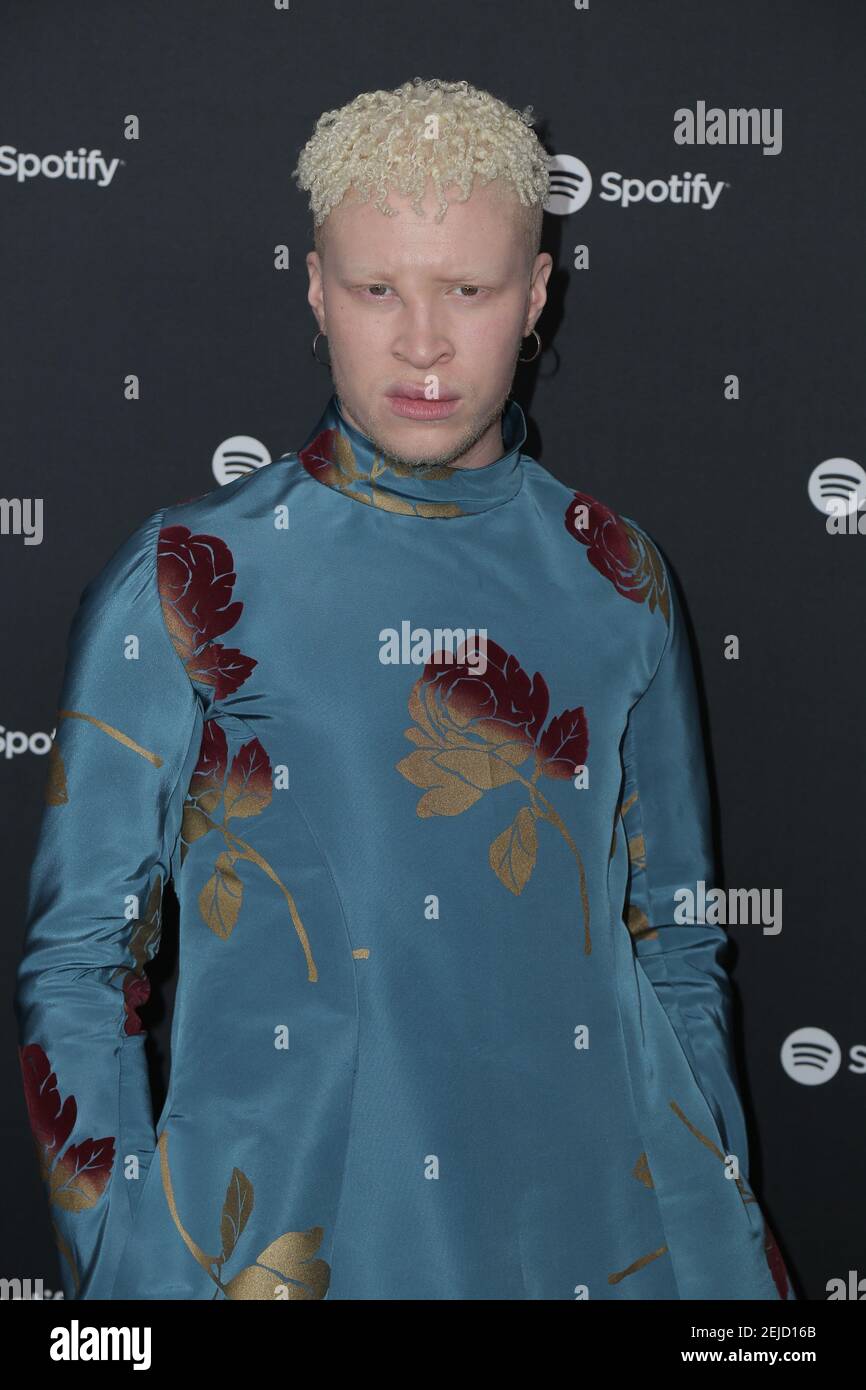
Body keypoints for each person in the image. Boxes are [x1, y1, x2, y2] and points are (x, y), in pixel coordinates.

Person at [14, 75, 793, 1301]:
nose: (421, 342)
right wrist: (127, 1275)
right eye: (378, 287)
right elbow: (78, 963)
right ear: (316, 289)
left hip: (619, 1238)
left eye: (468, 290)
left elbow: (678, 946)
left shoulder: (615, 572)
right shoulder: (190, 574)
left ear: (535, 298)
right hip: (298, 1242)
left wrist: (718, 1238)